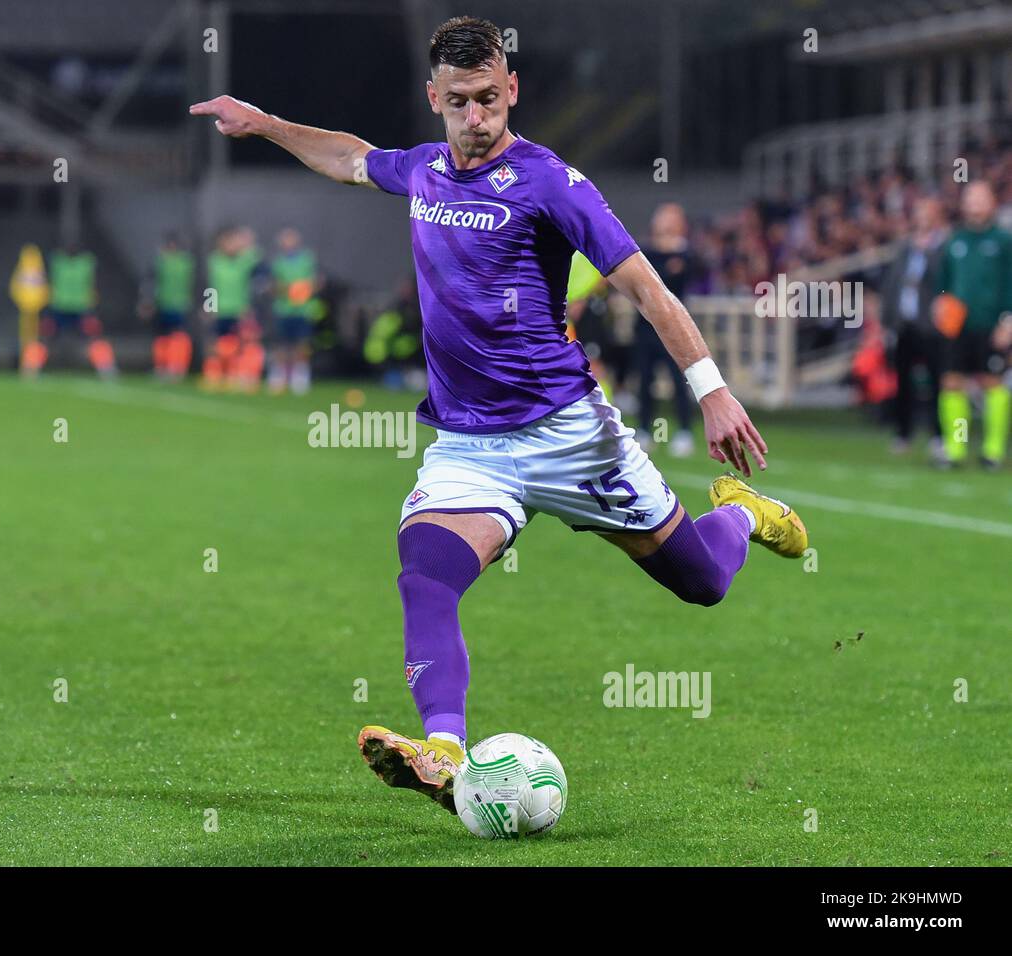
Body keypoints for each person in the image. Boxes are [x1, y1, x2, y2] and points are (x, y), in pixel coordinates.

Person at [191, 15, 806, 813]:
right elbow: (349, 157)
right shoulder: (424, 171)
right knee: (424, 574)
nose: (476, 118)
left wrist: (712, 390)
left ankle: (743, 515)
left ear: (512, 88)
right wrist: (266, 124)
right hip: (469, 446)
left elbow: (646, 288)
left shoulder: (551, 182)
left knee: (702, 582)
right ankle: (445, 751)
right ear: (434, 99)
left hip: (569, 435)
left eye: (489, 98)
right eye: (459, 102)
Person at [932, 180, 1012, 469]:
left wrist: (1008, 320)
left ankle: (993, 451)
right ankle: (955, 449)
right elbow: (943, 282)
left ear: (992, 202)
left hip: (991, 324)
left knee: (992, 382)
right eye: (970, 198)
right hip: (957, 326)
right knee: (952, 382)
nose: (975, 203)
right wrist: (940, 303)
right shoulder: (955, 240)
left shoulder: (1003, 240)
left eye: (981, 198)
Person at [879, 196, 946, 457]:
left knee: (937, 381)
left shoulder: (943, 246)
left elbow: (943, 280)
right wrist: (887, 321)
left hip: (931, 324)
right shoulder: (905, 247)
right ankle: (903, 433)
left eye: (926, 212)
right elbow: (892, 284)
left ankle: (939, 434)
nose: (922, 217)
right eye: (918, 211)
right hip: (904, 323)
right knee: (903, 382)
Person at [633, 204, 698, 457]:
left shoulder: (685, 251)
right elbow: (644, 280)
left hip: (674, 328)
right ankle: (644, 429)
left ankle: (684, 431)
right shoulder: (645, 250)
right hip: (646, 326)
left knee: (679, 381)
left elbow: (669, 279)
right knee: (645, 381)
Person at [22, 239, 117, 378]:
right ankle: (31, 367)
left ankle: (106, 368)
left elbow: (96, 282)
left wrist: (94, 300)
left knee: (95, 338)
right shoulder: (56, 261)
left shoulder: (87, 262)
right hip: (58, 307)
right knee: (44, 338)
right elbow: (42, 278)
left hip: (82, 308)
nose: (71, 248)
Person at [202, 227, 261, 390]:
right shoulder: (215, 261)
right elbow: (211, 285)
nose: (230, 246)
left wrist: (246, 240)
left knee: (239, 345)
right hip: (220, 309)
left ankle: (236, 374)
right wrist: (210, 307)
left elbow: (256, 255)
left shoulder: (243, 261)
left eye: (233, 242)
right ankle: (214, 374)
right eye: (227, 242)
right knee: (215, 344)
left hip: (239, 309)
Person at [267, 227, 320, 394]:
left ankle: (300, 376)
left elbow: (316, 282)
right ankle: (278, 376)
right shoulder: (277, 262)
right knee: (281, 344)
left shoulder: (307, 259)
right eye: (285, 240)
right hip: (284, 309)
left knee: (302, 344)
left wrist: (305, 289)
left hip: (303, 310)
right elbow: (273, 286)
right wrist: (287, 290)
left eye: (291, 239)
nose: (288, 243)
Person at [144, 232, 195, 380]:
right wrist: (147, 302)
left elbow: (204, 285)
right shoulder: (159, 262)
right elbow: (149, 283)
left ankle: (177, 366)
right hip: (163, 304)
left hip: (182, 305)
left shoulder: (188, 262)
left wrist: (209, 307)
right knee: (162, 337)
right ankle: (161, 367)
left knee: (178, 336)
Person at [10, 243, 49, 366]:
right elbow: (15, 289)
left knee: (34, 338)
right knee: (26, 337)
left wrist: (39, 303)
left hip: (36, 310)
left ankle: (33, 362)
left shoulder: (35, 272)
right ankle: (26, 362)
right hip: (25, 310)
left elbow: (44, 290)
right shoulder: (26, 271)